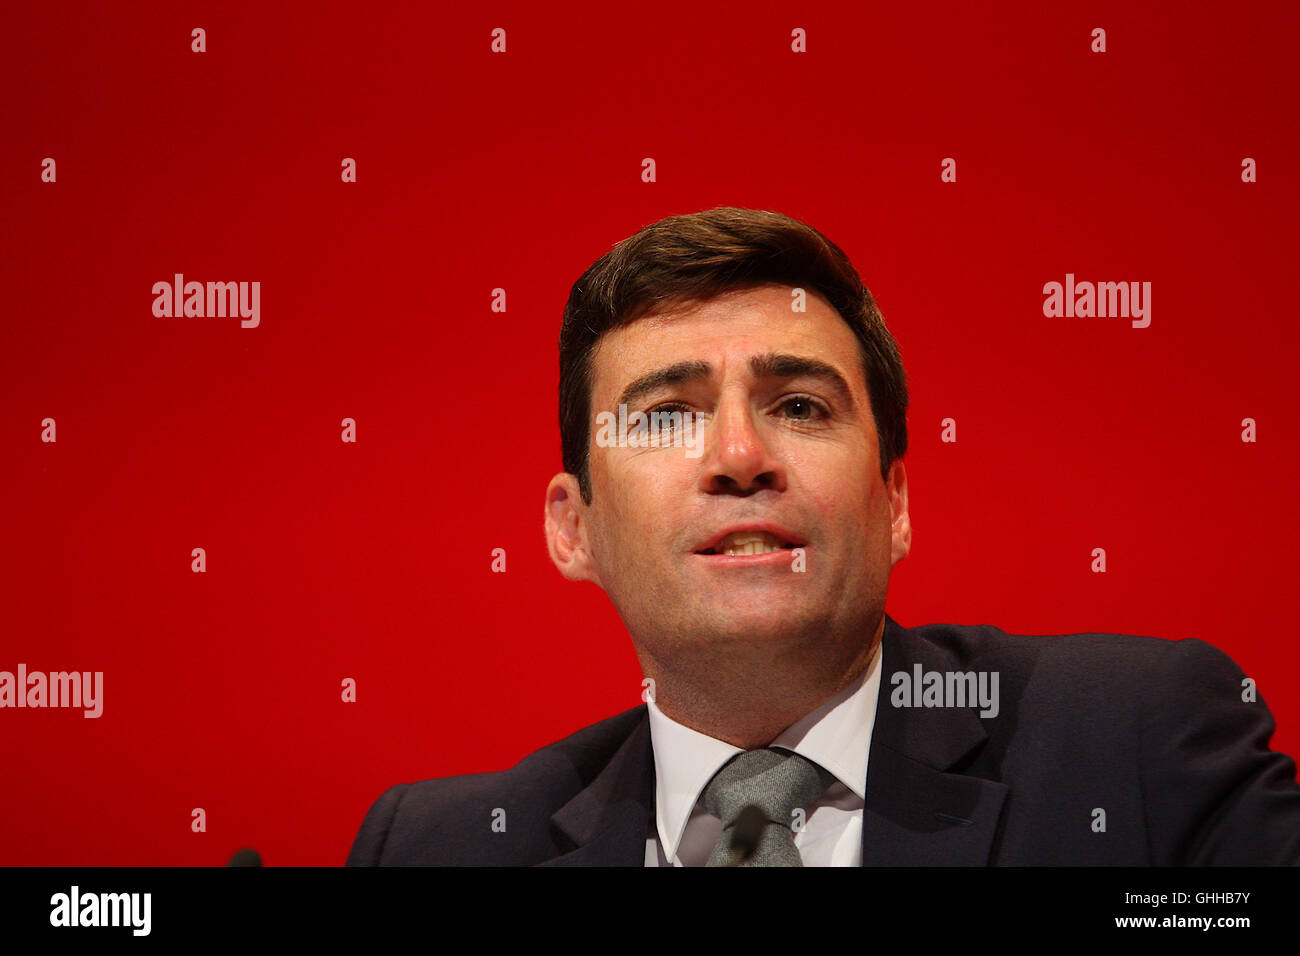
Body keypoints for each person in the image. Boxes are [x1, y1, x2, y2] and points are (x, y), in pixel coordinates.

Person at [346, 206, 1300, 866]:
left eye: (799, 405)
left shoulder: (1132, 749)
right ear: (573, 528)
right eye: (667, 416)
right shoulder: (443, 845)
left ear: (894, 503)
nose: (738, 454)